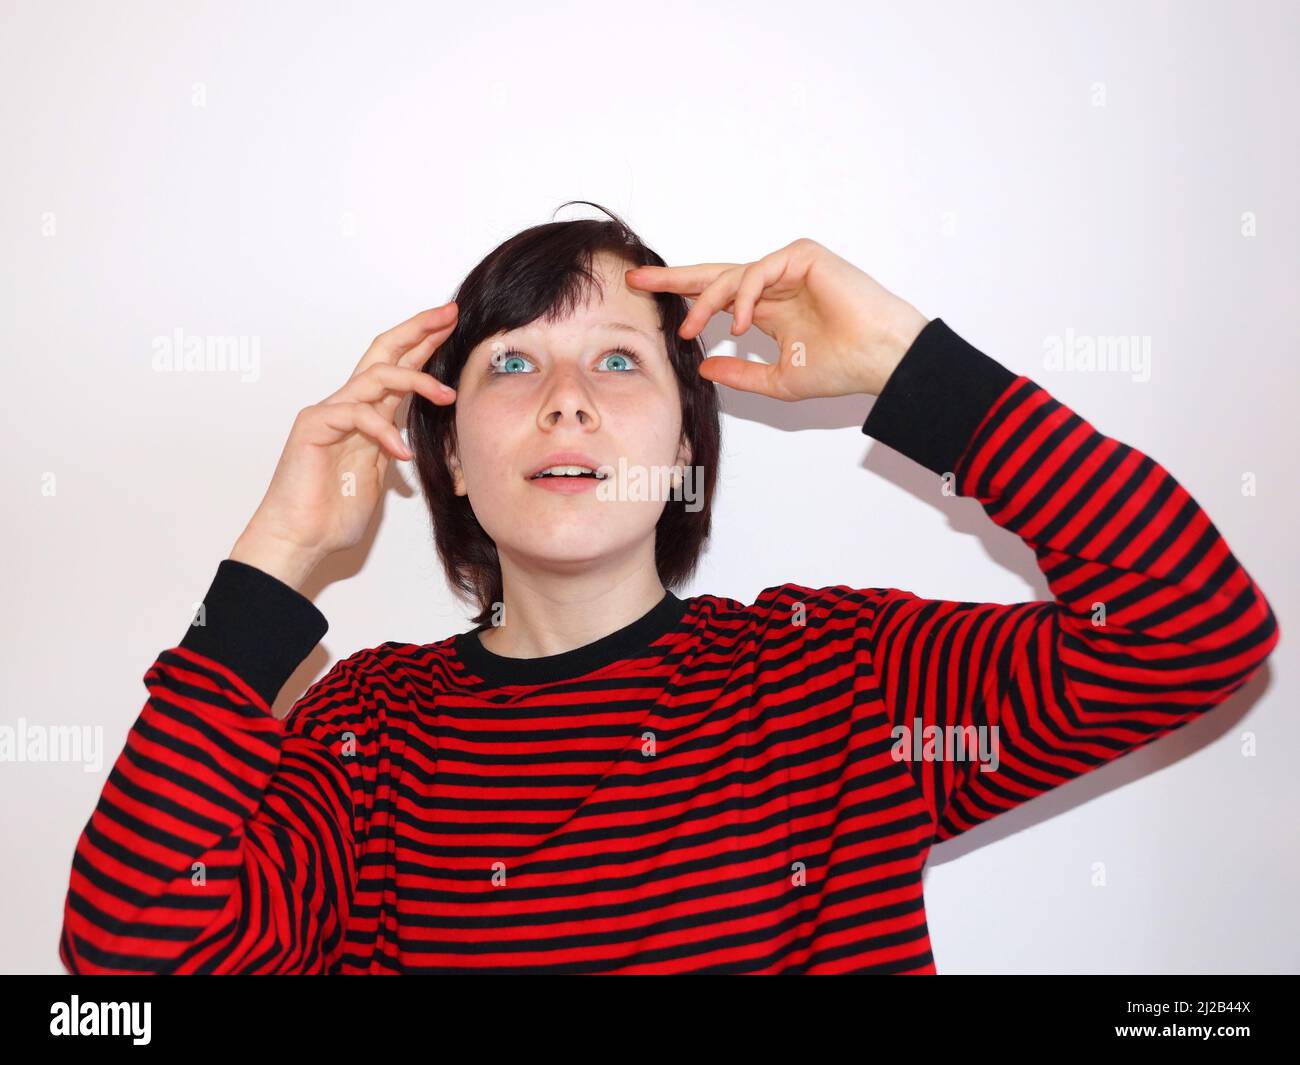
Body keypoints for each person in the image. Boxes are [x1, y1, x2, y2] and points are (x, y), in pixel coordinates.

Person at [56, 203, 1279, 974]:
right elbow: (130, 957)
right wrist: (276, 560)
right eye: (514, 360)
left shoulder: (835, 674)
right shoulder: (367, 728)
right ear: (451, 468)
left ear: (686, 452)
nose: (567, 397)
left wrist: (914, 371)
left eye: (620, 363)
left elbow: (1190, 632)